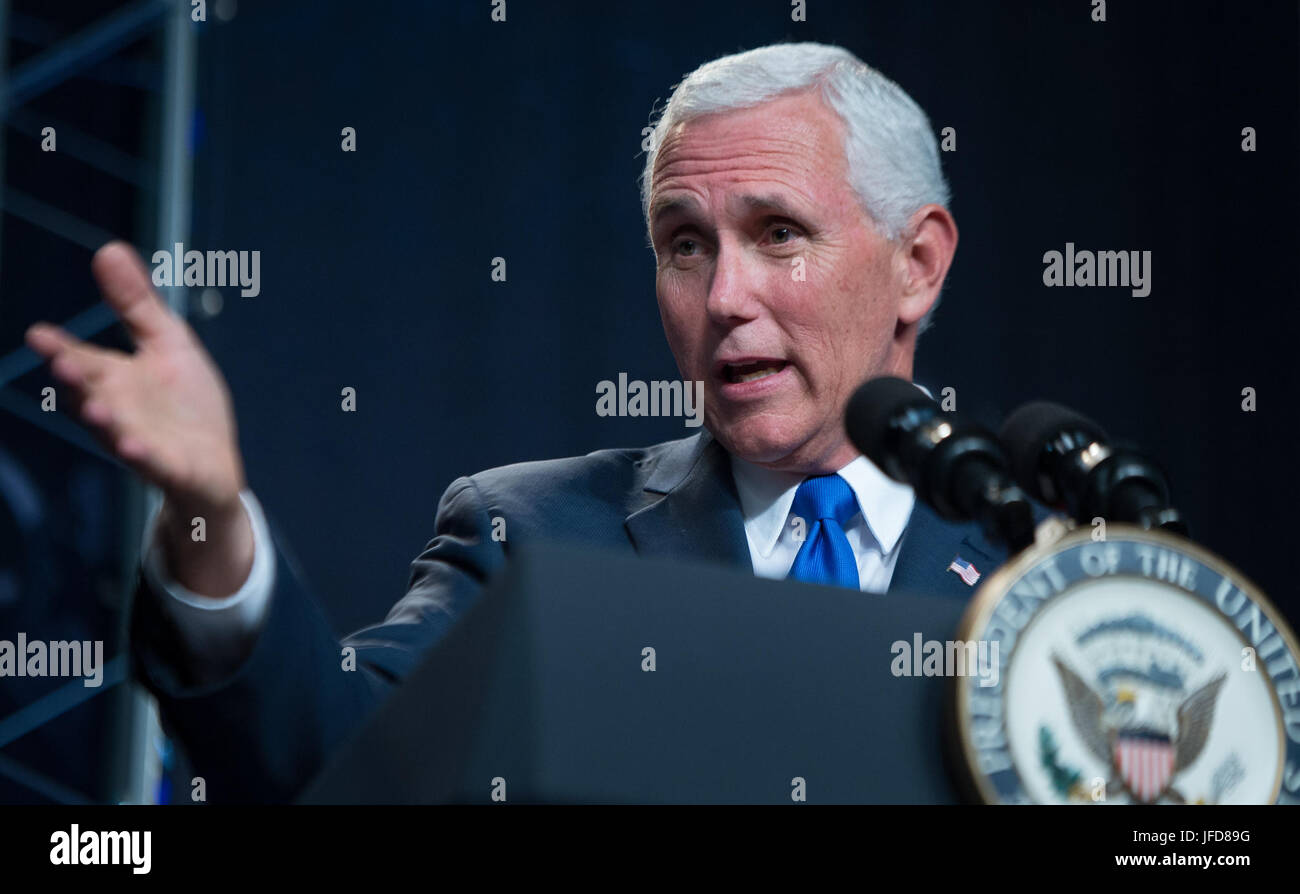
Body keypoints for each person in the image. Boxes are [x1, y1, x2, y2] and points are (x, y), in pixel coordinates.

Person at [25, 43, 1003, 802]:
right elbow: (341, 763)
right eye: (685, 245)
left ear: (916, 262)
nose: (723, 297)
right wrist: (212, 519)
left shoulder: (1050, 553)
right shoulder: (530, 532)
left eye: (777, 233)